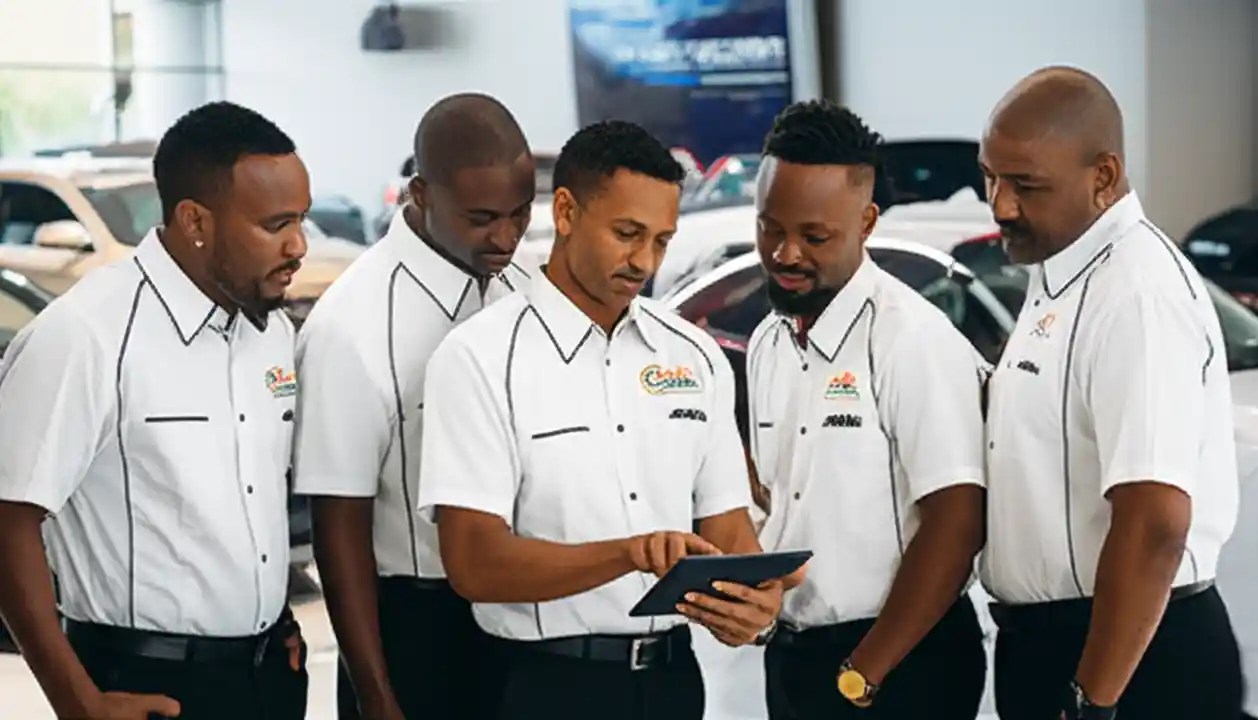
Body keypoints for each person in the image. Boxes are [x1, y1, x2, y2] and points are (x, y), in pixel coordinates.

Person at [417, 119, 799, 720]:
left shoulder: (693, 356)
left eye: (662, 241)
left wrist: (753, 598)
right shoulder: (479, 358)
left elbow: (727, 529)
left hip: (674, 681)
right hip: (543, 687)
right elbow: (474, 564)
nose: (644, 261)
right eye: (627, 233)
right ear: (565, 212)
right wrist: (631, 553)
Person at [0, 101, 310, 720]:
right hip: (147, 686)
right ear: (196, 220)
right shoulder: (87, 336)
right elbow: (8, 519)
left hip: (271, 674)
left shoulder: (268, 331)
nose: (298, 245)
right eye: (276, 224)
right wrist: (75, 699)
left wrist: (277, 622)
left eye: (300, 219)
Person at [979, 66, 1243, 719]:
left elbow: (1155, 522)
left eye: (1025, 186)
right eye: (990, 177)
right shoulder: (1063, 269)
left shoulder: (1136, 293)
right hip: (1054, 647)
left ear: (1103, 177)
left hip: (1132, 662)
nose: (1000, 205)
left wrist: (1092, 701)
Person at [292, 92, 535, 720]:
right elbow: (338, 526)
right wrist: (375, 693)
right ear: (420, 195)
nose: (505, 236)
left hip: (531, 617)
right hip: (418, 628)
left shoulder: (529, 288)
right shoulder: (352, 324)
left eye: (520, 213)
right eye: (482, 217)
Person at [745, 99, 988, 718]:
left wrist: (864, 672)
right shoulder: (769, 342)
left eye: (814, 236)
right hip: (795, 658)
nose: (785, 253)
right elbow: (777, 502)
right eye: (770, 227)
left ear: (868, 220)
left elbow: (957, 522)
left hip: (900, 664)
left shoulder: (912, 339)